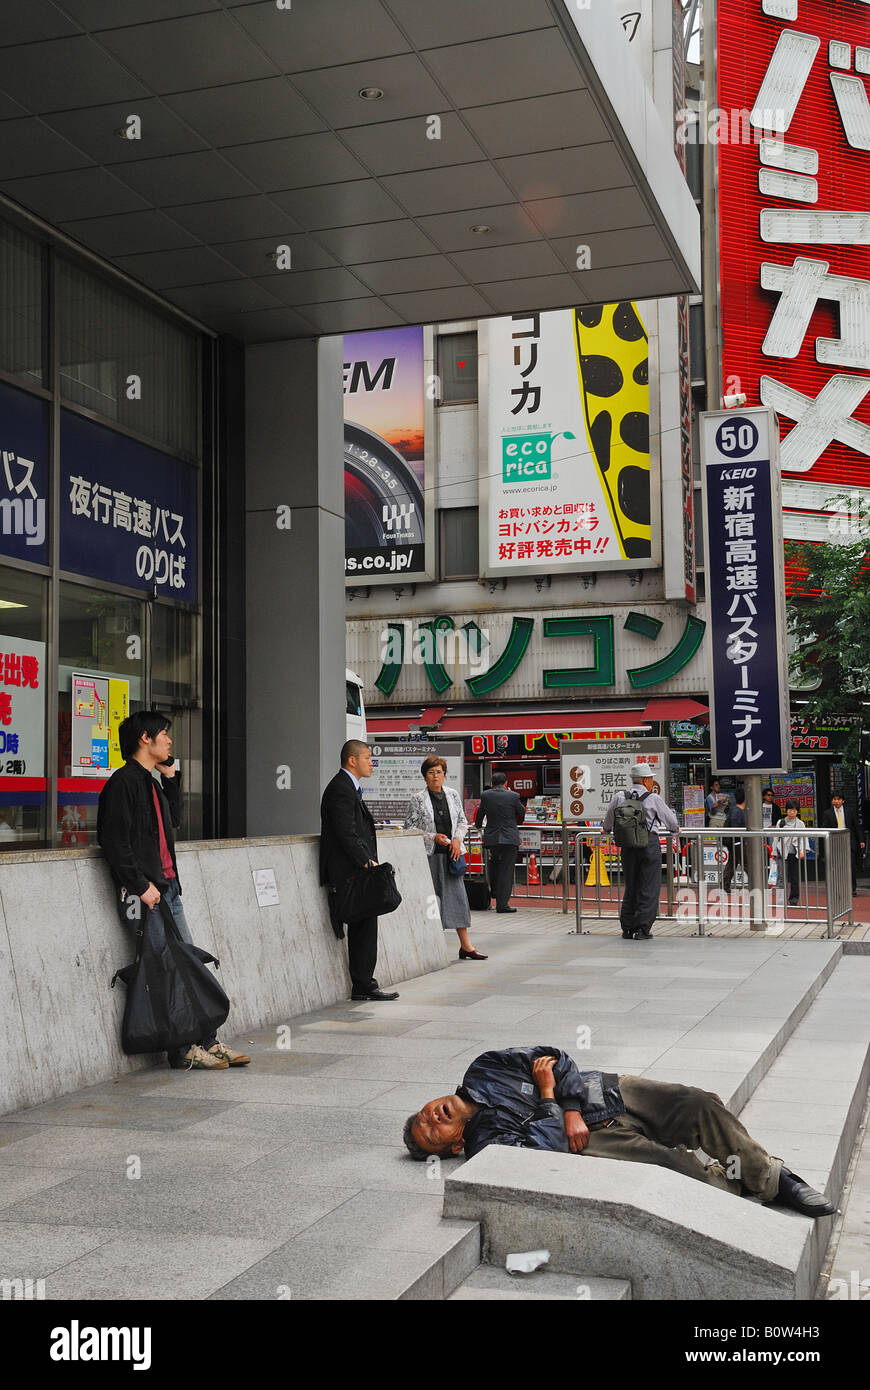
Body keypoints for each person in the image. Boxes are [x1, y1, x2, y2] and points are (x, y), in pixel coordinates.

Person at [403, 1045, 836, 1219]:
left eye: (423, 1116)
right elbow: (544, 1151)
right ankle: (738, 1182)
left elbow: (554, 1056)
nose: (431, 1120)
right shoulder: (486, 1142)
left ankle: (777, 1180)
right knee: (689, 1176)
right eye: (431, 1135)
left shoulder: (484, 1066)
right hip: (592, 1141)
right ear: (455, 1143)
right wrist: (549, 1094)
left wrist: (567, 1105)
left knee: (697, 1102)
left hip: (600, 1091)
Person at [97, 710, 250, 1071]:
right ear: (144, 739)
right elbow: (114, 840)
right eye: (163, 734)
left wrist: (170, 780)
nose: (169, 740)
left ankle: (207, 1041)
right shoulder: (123, 783)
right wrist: (140, 886)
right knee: (165, 969)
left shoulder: (150, 782)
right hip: (147, 897)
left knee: (189, 964)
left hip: (167, 892)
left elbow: (174, 821)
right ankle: (182, 1050)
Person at [319, 739, 398, 1002]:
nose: (371, 762)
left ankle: (364, 984)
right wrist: (365, 861)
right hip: (349, 872)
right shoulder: (341, 788)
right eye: (367, 757)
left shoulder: (350, 788)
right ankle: (364, 984)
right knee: (362, 925)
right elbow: (345, 831)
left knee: (365, 925)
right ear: (352, 760)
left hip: (357, 869)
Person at [404, 754, 486, 960]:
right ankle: (433, 945)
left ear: (444, 775)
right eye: (431, 773)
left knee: (458, 898)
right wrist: (433, 836)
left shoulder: (452, 795)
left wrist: (457, 839)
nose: (435, 776)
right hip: (430, 856)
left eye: (439, 772)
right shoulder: (417, 799)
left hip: (452, 855)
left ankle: (466, 946)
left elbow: (461, 820)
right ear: (425, 777)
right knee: (432, 901)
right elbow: (410, 828)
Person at [602, 763, 679, 939]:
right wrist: (676, 830)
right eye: (651, 779)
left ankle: (627, 928)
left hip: (627, 846)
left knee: (631, 886)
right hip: (648, 845)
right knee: (649, 888)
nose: (652, 782)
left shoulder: (620, 796)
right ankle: (642, 929)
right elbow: (672, 823)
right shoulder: (653, 798)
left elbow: (607, 821)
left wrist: (605, 830)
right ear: (645, 780)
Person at [474, 771, 525, 913]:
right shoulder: (513, 796)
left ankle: (495, 891)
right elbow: (522, 812)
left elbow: (480, 816)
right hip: (509, 838)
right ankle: (502, 904)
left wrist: (478, 825)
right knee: (506, 871)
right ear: (506, 783)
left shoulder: (486, 795)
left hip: (493, 837)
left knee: (494, 865)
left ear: (492, 784)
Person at [821, 793, 865, 896]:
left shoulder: (850, 811)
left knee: (851, 866)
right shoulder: (827, 813)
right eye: (834, 799)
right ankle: (837, 888)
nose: (836, 801)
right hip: (834, 843)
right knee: (836, 867)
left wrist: (861, 840)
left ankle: (852, 889)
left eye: (838, 799)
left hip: (849, 842)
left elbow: (856, 826)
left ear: (843, 801)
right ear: (832, 801)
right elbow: (824, 827)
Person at [774, 800, 808, 907]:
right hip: (781, 852)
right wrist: (774, 852)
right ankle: (780, 899)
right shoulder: (781, 822)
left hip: (794, 853)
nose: (792, 812)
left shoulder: (800, 824)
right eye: (790, 810)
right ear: (786, 810)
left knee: (794, 877)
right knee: (781, 877)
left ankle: (793, 899)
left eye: (794, 810)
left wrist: (802, 850)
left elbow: (803, 838)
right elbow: (776, 838)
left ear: (797, 811)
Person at [722, 787, 746, 894]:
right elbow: (736, 828)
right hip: (737, 842)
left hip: (735, 842)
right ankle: (758, 884)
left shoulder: (735, 810)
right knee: (747, 863)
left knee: (732, 862)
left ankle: (725, 884)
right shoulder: (738, 811)